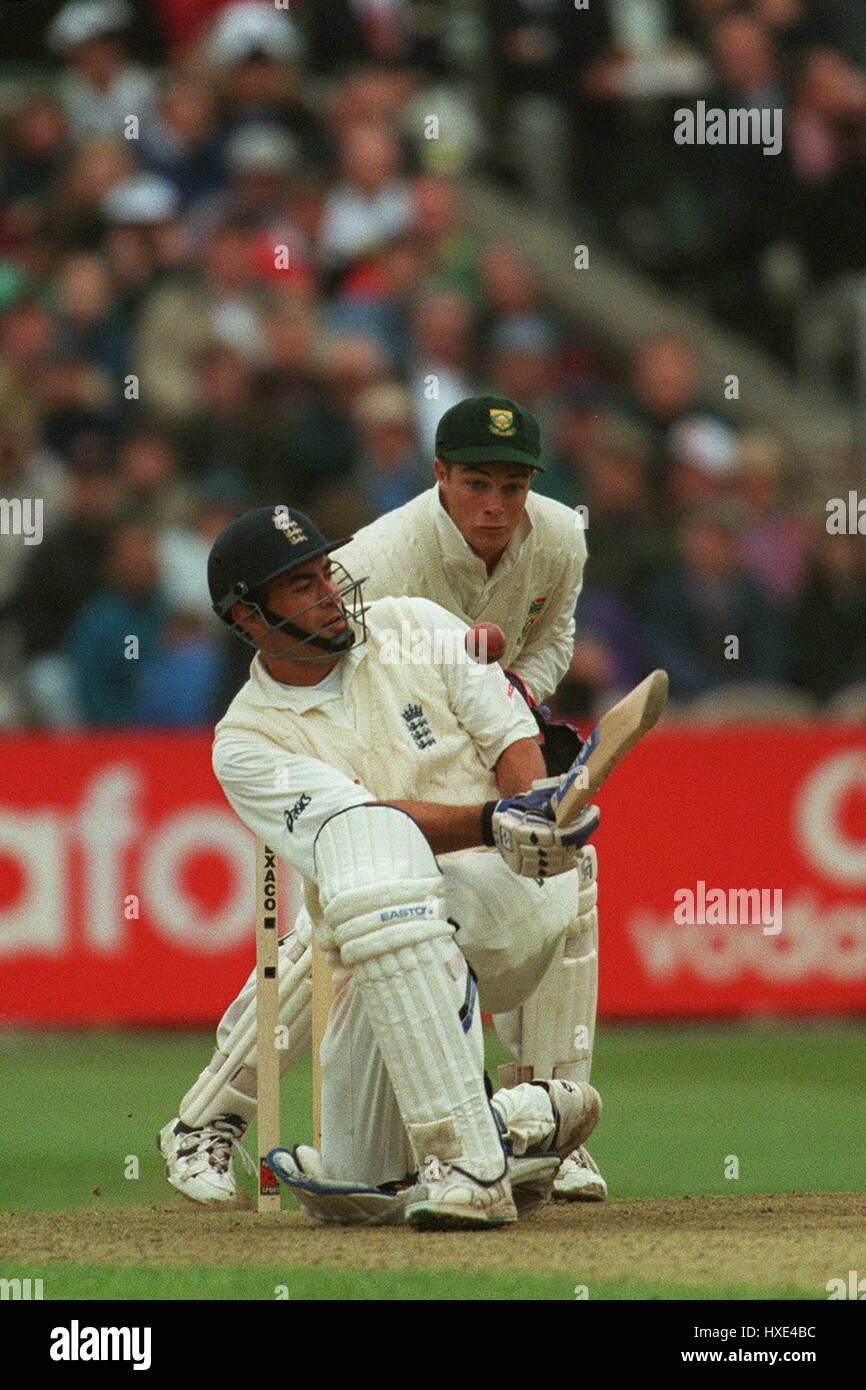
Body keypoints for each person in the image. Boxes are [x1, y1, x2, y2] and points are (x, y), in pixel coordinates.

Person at [159, 504, 602, 1227]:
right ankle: (516, 1120)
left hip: (512, 894)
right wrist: (494, 820)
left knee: (367, 898)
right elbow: (368, 825)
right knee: (361, 1190)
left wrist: (534, 813)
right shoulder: (244, 743)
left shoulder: (413, 624)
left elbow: (511, 733)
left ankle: (470, 1164)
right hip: (398, 942)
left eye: (323, 573)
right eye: (299, 586)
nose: (329, 592)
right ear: (247, 617)